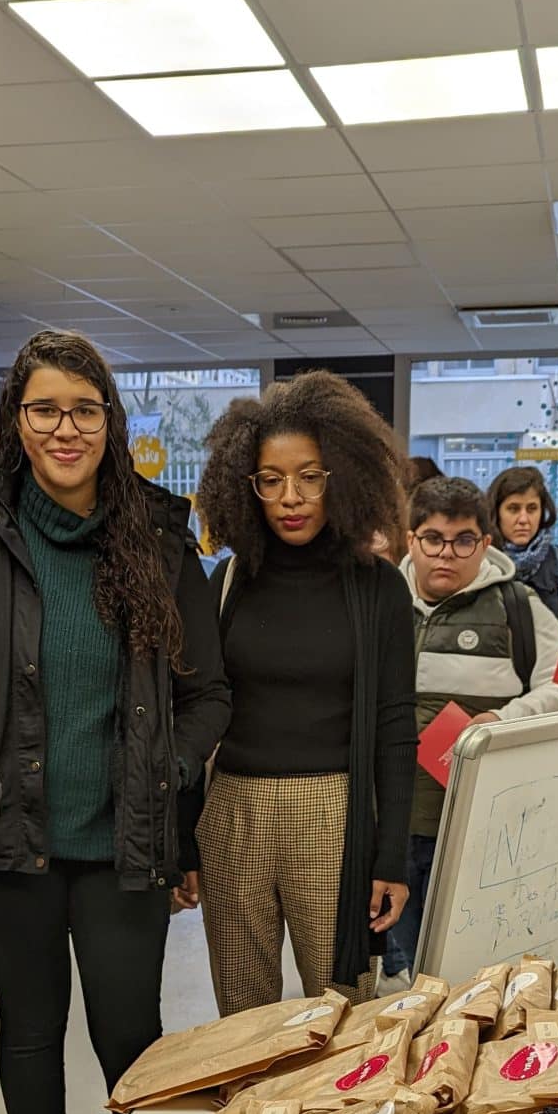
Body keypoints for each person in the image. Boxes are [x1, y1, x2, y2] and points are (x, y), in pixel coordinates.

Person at [0, 331, 229, 1114]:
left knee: (130, 1033)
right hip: (6, 841)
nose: (66, 428)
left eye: (84, 410)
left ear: (112, 421)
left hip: (123, 842)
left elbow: (208, 694)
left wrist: (161, 773)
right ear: (15, 421)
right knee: (28, 1032)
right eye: (45, 409)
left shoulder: (164, 543)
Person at [191, 370, 415, 1013]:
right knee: (242, 1016)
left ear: (341, 475)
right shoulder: (228, 581)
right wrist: (183, 839)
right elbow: (198, 709)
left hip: (334, 815)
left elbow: (397, 726)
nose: (291, 496)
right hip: (234, 814)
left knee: (342, 1015)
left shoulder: (378, 589)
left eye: (310, 475)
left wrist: (391, 857)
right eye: (271, 479)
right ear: (247, 485)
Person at [387, 475, 558, 974]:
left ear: (485, 544)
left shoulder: (518, 607)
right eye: (433, 539)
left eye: (463, 540)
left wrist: (501, 720)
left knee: (480, 971)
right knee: (413, 967)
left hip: (484, 831)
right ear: (411, 540)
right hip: (395, 828)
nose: (446, 554)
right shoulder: (382, 605)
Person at [486, 462, 558, 628]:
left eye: (532, 509)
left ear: (543, 511)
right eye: (513, 509)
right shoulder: (481, 564)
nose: (523, 520)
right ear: (496, 513)